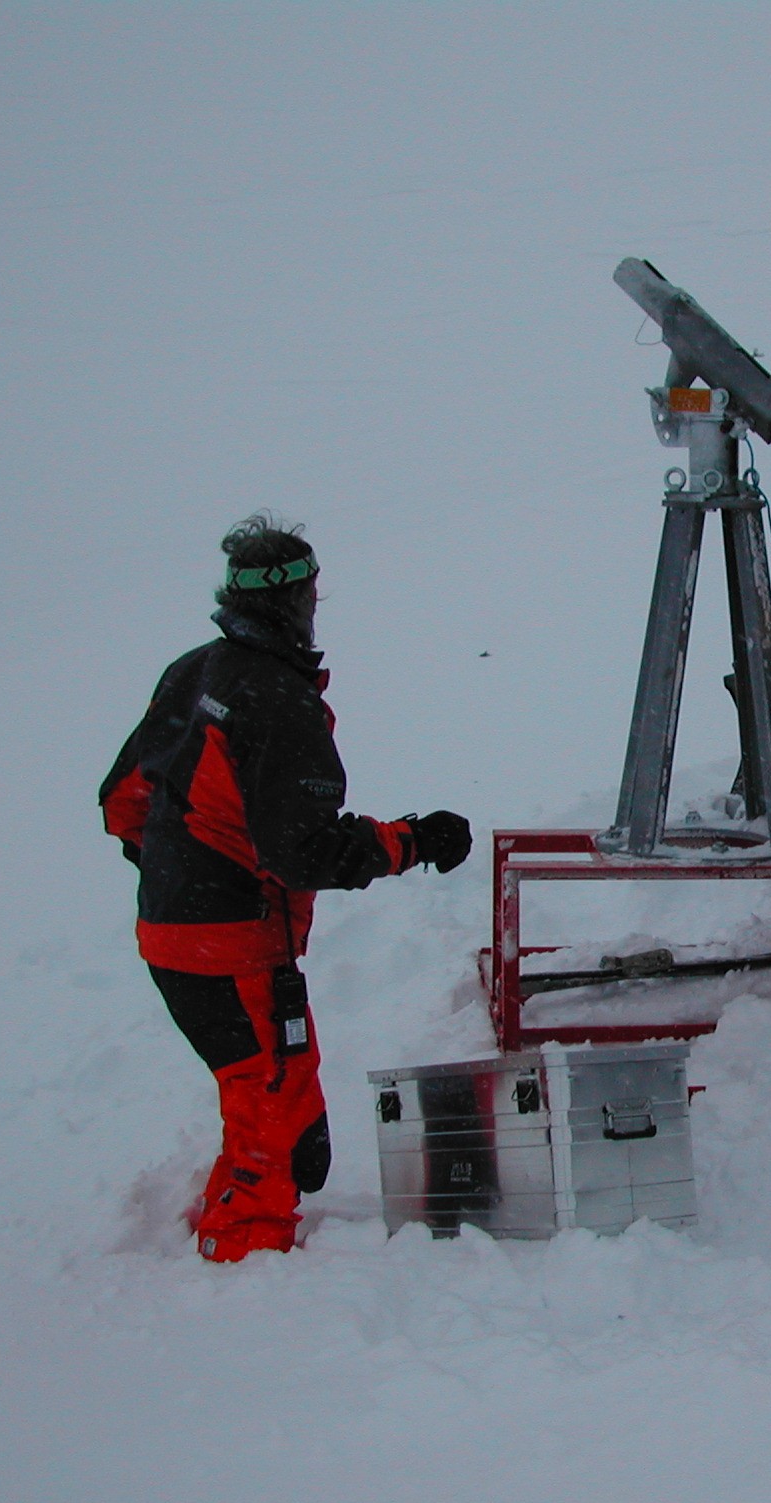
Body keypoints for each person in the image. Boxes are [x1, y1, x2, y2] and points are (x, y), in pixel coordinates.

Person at [100, 515, 472, 1262]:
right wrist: (414, 841)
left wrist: (178, 877)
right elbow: (305, 852)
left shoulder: (195, 670)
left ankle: (231, 1213)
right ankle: (244, 1259)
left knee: (261, 1089)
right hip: (232, 941)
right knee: (278, 1108)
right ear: (301, 600)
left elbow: (124, 799)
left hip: (173, 934)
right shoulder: (277, 701)